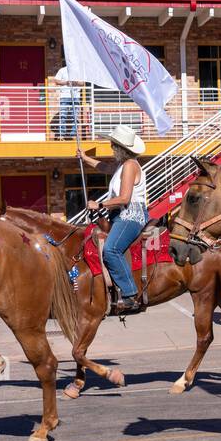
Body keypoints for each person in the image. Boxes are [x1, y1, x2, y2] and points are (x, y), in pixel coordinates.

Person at [82, 125, 148, 315]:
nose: (111, 148)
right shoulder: (122, 166)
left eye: (113, 145)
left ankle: (130, 294)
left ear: (121, 148)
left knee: (111, 250)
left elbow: (124, 198)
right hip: (120, 213)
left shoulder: (129, 166)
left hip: (130, 215)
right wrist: (85, 158)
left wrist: (99, 205)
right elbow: (104, 167)